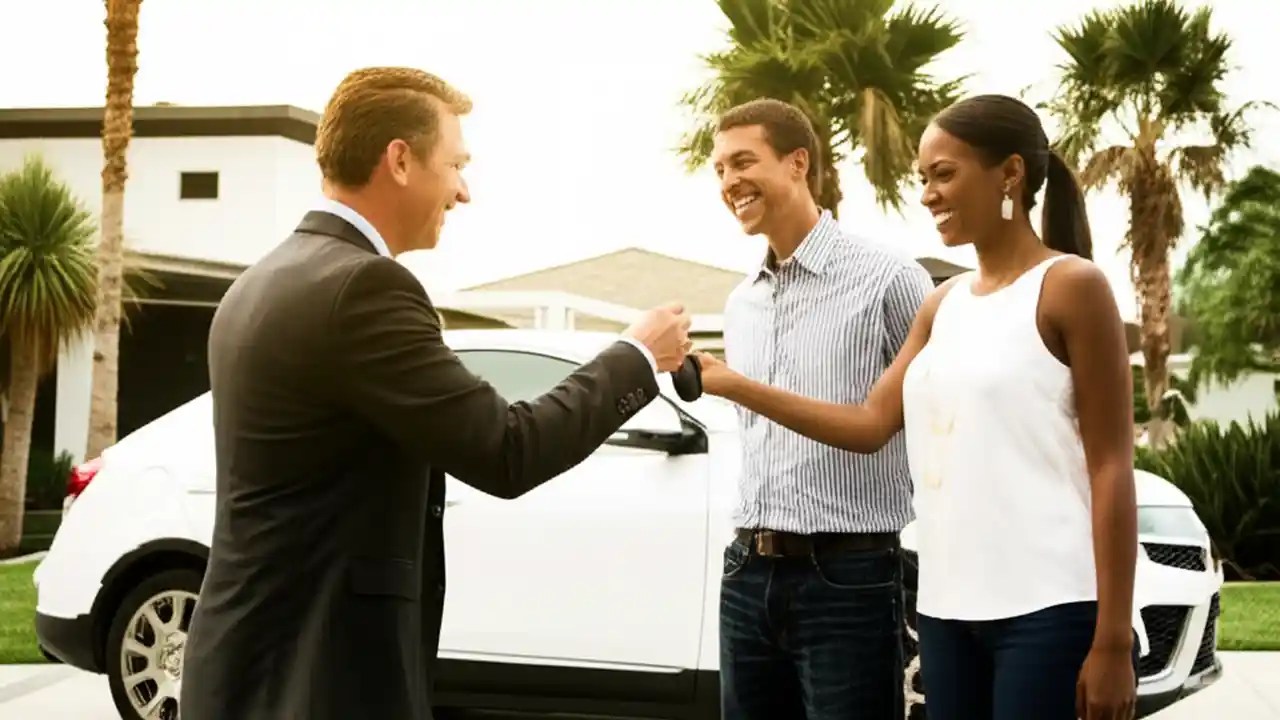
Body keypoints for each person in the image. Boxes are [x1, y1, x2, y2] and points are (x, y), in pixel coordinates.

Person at [178, 66, 692, 720]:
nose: (463, 191)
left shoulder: (261, 281)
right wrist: (638, 356)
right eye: (455, 165)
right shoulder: (365, 287)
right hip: (320, 678)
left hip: (240, 666)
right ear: (399, 160)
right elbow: (508, 449)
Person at [696, 93, 1139, 720]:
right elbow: (869, 424)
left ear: (1010, 174)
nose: (928, 195)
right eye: (924, 178)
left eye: (944, 174)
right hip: (947, 606)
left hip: (1048, 604)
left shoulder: (1072, 287)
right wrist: (732, 383)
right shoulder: (942, 303)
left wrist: (1113, 639)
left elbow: (1112, 467)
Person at [708, 97, 934, 720]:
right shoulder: (740, 304)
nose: (729, 182)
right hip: (746, 571)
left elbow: (928, 425)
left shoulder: (891, 279)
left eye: (743, 162)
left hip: (850, 575)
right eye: (720, 169)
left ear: (798, 163)